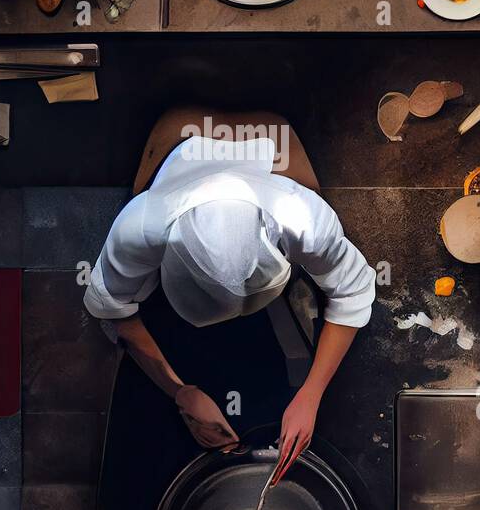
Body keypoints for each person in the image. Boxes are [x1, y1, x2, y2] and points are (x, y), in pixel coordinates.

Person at [85, 128, 375, 485]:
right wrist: (179, 391)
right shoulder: (142, 227)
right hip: (172, 320)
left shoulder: (303, 218)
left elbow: (353, 293)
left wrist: (310, 394)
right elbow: (113, 307)